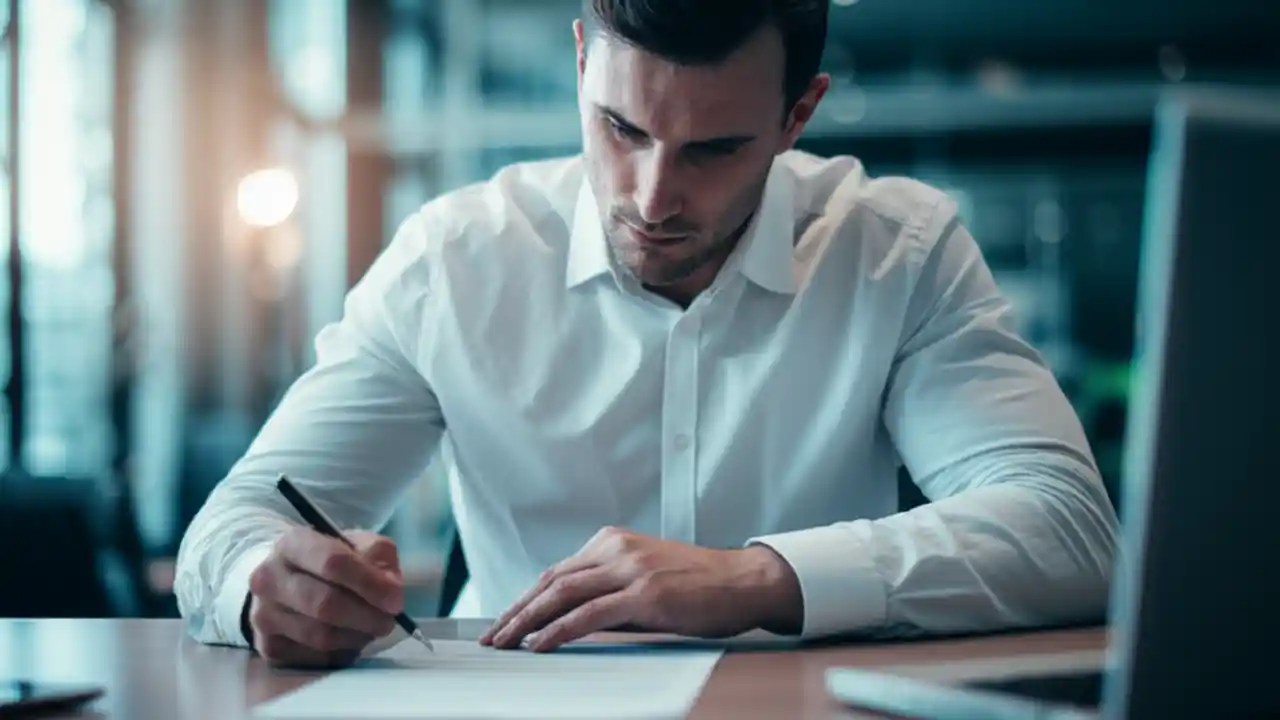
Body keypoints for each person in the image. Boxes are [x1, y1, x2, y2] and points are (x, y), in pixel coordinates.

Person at [176, 0, 1118, 668]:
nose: (654, 197)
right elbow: (233, 525)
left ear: (798, 115)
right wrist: (266, 584)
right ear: (580, 61)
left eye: (714, 149)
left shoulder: (898, 254)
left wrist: (758, 579)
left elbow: (1073, 531)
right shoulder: (453, 261)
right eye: (621, 128)